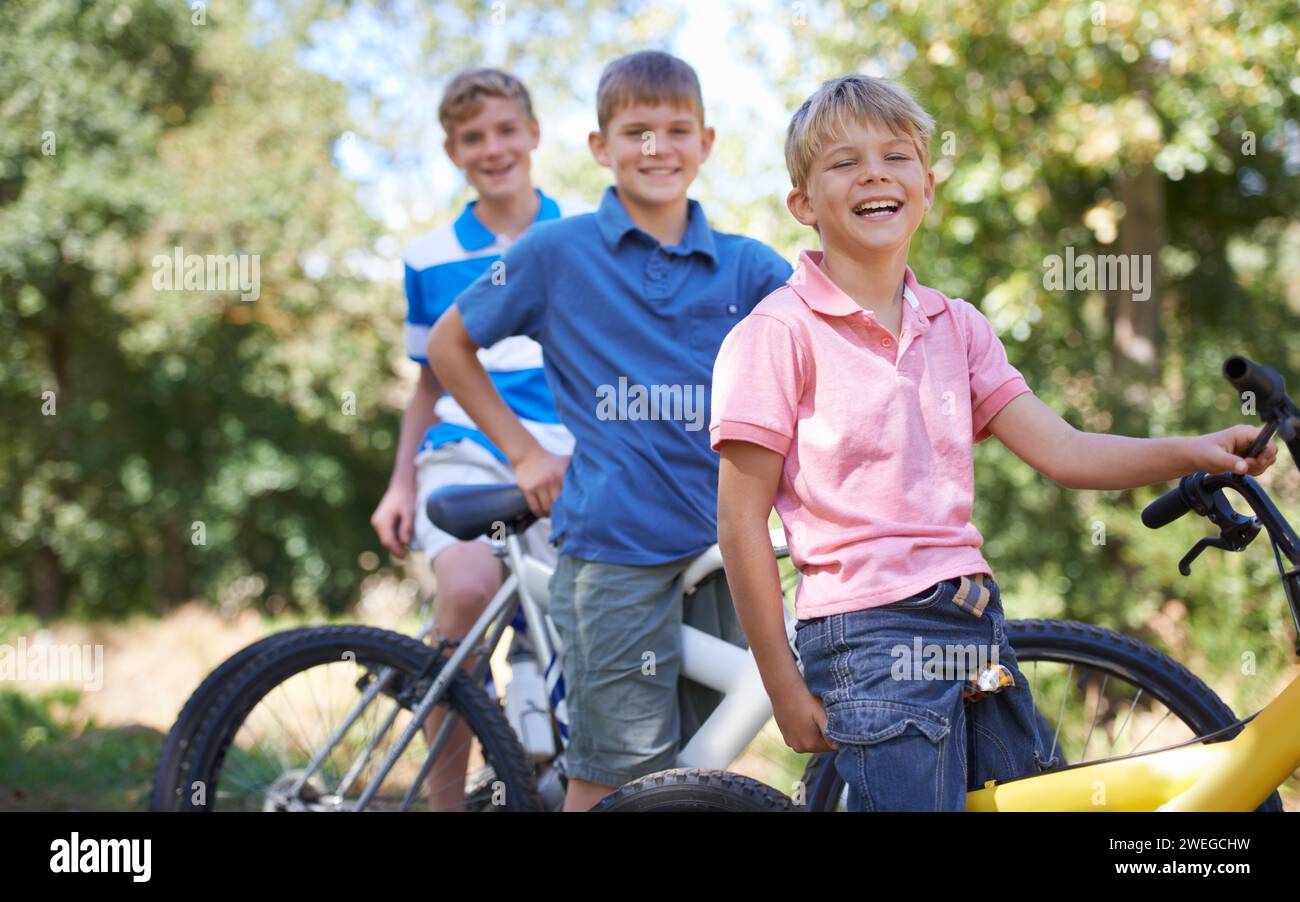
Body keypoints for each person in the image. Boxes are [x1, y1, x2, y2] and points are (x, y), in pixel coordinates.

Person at [710, 73, 1279, 811]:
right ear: (803, 203)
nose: (875, 173)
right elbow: (738, 520)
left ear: (928, 185)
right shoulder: (777, 334)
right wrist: (783, 685)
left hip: (975, 619)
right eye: (844, 162)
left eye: (896, 156)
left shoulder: (960, 327)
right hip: (870, 637)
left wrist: (1199, 449)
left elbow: (1067, 451)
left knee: (1040, 804)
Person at [428, 50, 793, 810]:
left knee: (692, 776)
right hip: (617, 549)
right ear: (601, 147)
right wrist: (524, 451)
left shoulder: (746, 268)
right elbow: (447, 346)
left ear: (706, 143)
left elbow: (827, 348)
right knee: (612, 779)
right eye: (636, 132)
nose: (656, 149)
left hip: (722, 545)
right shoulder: (557, 253)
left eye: (675, 130)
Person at [369, 68, 586, 810]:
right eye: (473, 138)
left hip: (566, 461)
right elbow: (430, 381)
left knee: (576, 626)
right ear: (453, 151)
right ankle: (446, 803)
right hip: (466, 451)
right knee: (464, 592)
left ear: (533, 133)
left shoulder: (584, 233)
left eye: (504, 130)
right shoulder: (430, 256)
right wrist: (401, 483)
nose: (493, 149)